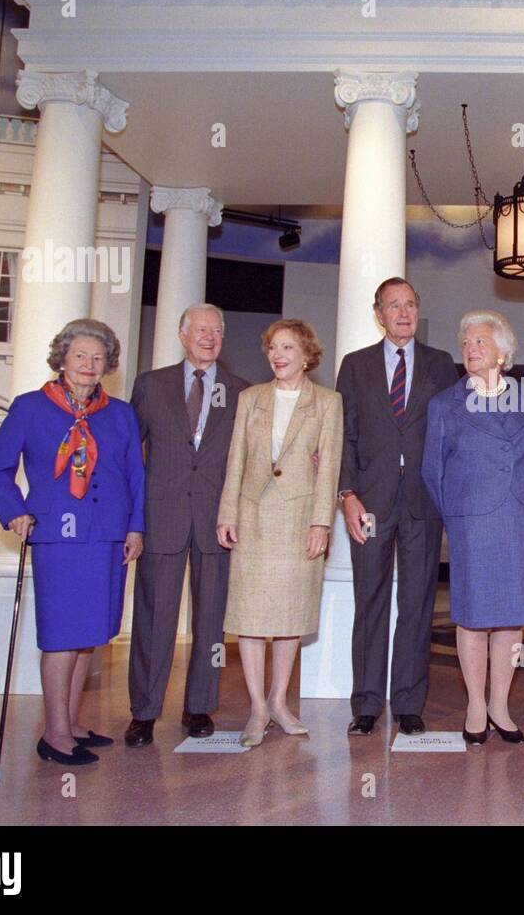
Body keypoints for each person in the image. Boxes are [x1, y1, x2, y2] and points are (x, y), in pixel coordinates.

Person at [0, 319, 145, 766]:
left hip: (108, 535)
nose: (90, 366)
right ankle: (54, 735)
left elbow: (135, 476)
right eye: (80, 357)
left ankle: (72, 724)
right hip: (57, 536)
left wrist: (136, 527)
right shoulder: (30, 407)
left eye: (98, 358)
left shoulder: (121, 413)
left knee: (89, 634)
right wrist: (14, 509)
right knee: (60, 635)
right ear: (63, 360)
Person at [422, 311, 524, 745]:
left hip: (520, 520)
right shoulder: (445, 404)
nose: (471, 348)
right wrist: (457, 516)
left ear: (504, 352)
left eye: (481, 341)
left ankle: (500, 703)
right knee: (473, 616)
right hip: (473, 524)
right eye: (467, 342)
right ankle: (475, 705)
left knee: (511, 620)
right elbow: (431, 471)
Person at [335, 278, 459, 737]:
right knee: (369, 602)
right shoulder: (355, 366)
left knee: (417, 603)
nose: (403, 313)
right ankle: (366, 703)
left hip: (423, 504)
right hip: (369, 502)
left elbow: (453, 434)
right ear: (378, 313)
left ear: (417, 309)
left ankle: (408, 702)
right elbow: (343, 437)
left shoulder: (442, 365)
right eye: (394, 306)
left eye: (410, 304)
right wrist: (347, 495)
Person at [125, 303, 249, 748]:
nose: (209, 337)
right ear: (183, 335)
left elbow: (255, 457)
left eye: (216, 330)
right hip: (162, 519)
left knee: (212, 623)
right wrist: (130, 520)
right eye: (200, 330)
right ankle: (144, 712)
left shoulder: (241, 392)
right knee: (154, 620)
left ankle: (199, 706)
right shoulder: (151, 385)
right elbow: (127, 457)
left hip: (218, 523)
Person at [216, 319, 342, 747]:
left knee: (291, 617)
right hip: (252, 517)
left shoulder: (328, 402)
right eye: (273, 348)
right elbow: (236, 459)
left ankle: (279, 703)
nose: (278, 355)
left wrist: (321, 522)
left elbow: (329, 467)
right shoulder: (250, 398)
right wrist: (226, 512)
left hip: (298, 519)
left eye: (288, 348)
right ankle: (256, 709)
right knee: (250, 618)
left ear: (306, 355)